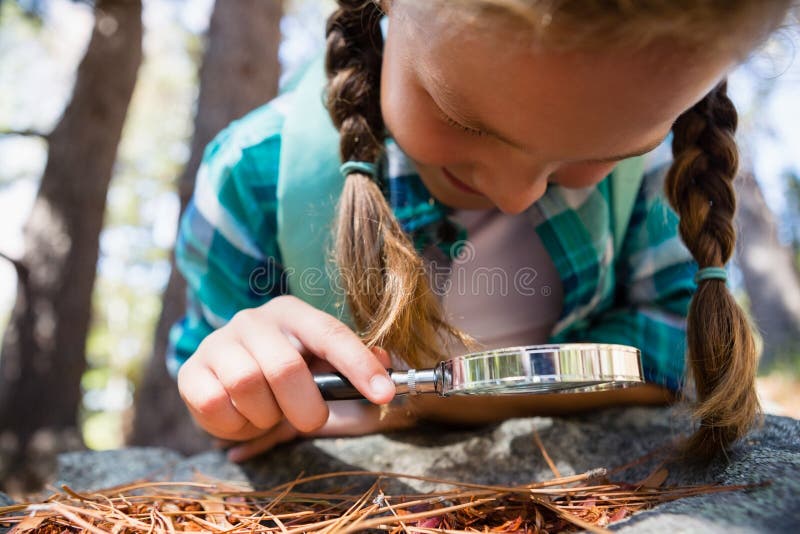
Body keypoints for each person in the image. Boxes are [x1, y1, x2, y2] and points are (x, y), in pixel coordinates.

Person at [168, 0, 793, 462]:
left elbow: (684, 346)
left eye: (595, 153)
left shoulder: (659, 180)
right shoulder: (252, 180)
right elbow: (222, 408)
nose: (514, 192)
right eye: (464, 122)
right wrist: (238, 378)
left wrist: (438, 400)